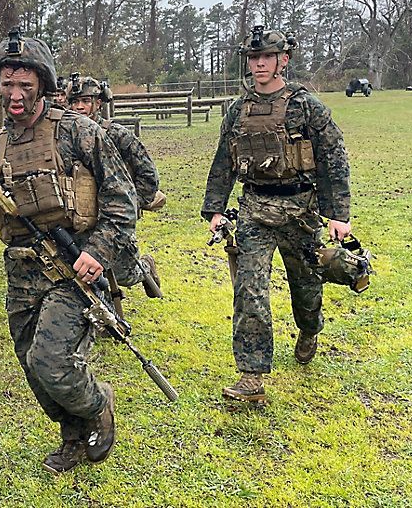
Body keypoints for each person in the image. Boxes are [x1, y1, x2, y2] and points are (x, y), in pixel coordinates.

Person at [0, 30, 137, 474]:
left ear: (42, 84)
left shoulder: (78, 132)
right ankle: (73, 437)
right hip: (21, 272)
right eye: (7, 85)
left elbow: (122, 198)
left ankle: (98, 404)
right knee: (33, 370)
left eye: (25, 85)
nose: (15, 95)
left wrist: (99, 250)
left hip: (75, 270)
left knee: (51, 360)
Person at [201, 26, 352, 403]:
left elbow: (333, 160)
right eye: (254, 59)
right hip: (255, 211)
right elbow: (224, 160)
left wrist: (338, 214)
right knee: (250, 291)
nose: (259, 64)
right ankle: (251, 376)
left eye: (266, 57)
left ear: (283, 59)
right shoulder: (238, 111)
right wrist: (215, 208)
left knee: (306, 287)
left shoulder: (306, 106)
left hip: (301, 211)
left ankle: (309, 328)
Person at [65, 74, 164, 298]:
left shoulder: (116, 135)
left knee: (124, 274)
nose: (79, 107)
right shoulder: (64, 137)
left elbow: (148, 175)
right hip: (78, 221)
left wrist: (131, 204)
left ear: (98, 103)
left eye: (86, 101)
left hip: (112, 219)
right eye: (74, 101)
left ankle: (146, 267)